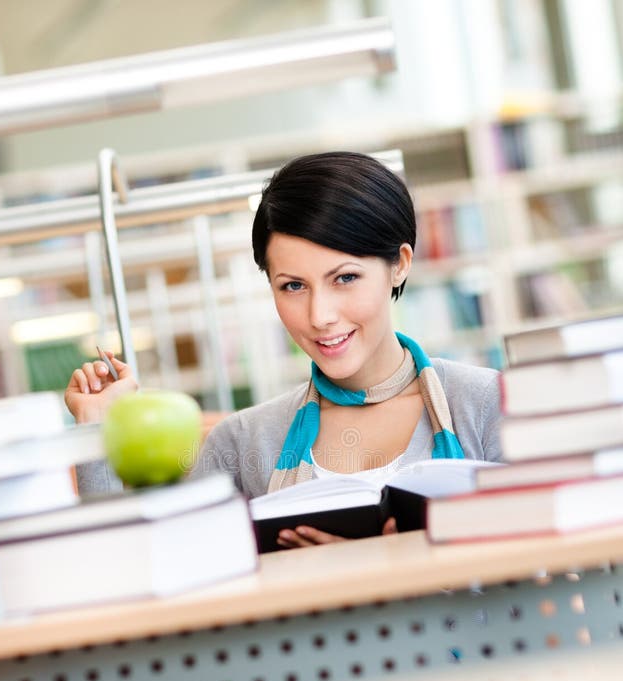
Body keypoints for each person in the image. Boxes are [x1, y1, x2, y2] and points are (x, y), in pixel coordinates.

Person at [66, 151, 502, 549]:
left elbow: (552, 578)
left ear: (399, 264)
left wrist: (404, 568)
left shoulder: (487, 404)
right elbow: (134, 571)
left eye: (345, 278)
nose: (320, 316)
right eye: (293, 286)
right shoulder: (241, 443)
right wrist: (95, 433)